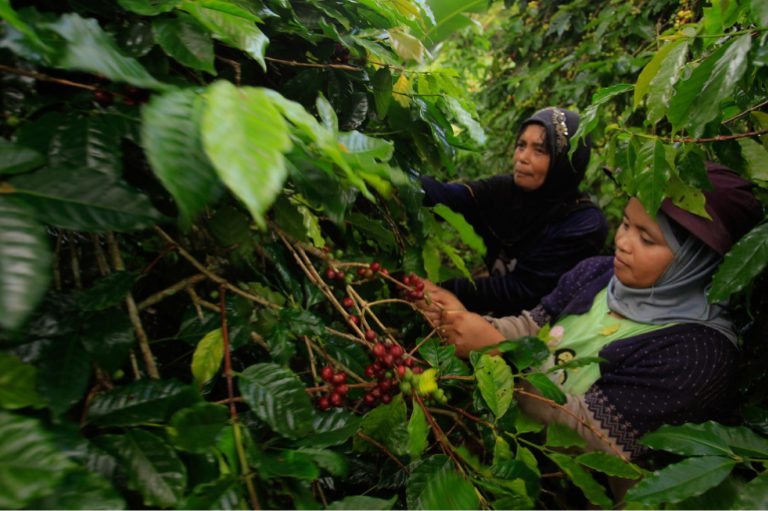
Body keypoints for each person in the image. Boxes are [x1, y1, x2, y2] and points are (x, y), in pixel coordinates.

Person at [419, 162, 763, 464]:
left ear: (695, 260)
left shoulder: (699, 355)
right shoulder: (598, 274)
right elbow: (531, 326)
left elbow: (590, 438)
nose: (623, 242)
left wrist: (499, 355)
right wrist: (462, 320)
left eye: (647, 238)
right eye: (627, 224)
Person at [420, 107, 608, 316]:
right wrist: (395, 179)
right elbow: (447, 197)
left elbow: (521, 290)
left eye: (539, 150)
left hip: (550, 333)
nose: (522, 158)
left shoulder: (583, 223)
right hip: (503, 320)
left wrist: (440, 289)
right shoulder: (504, 191)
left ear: (566, 161)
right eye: (521, 145)